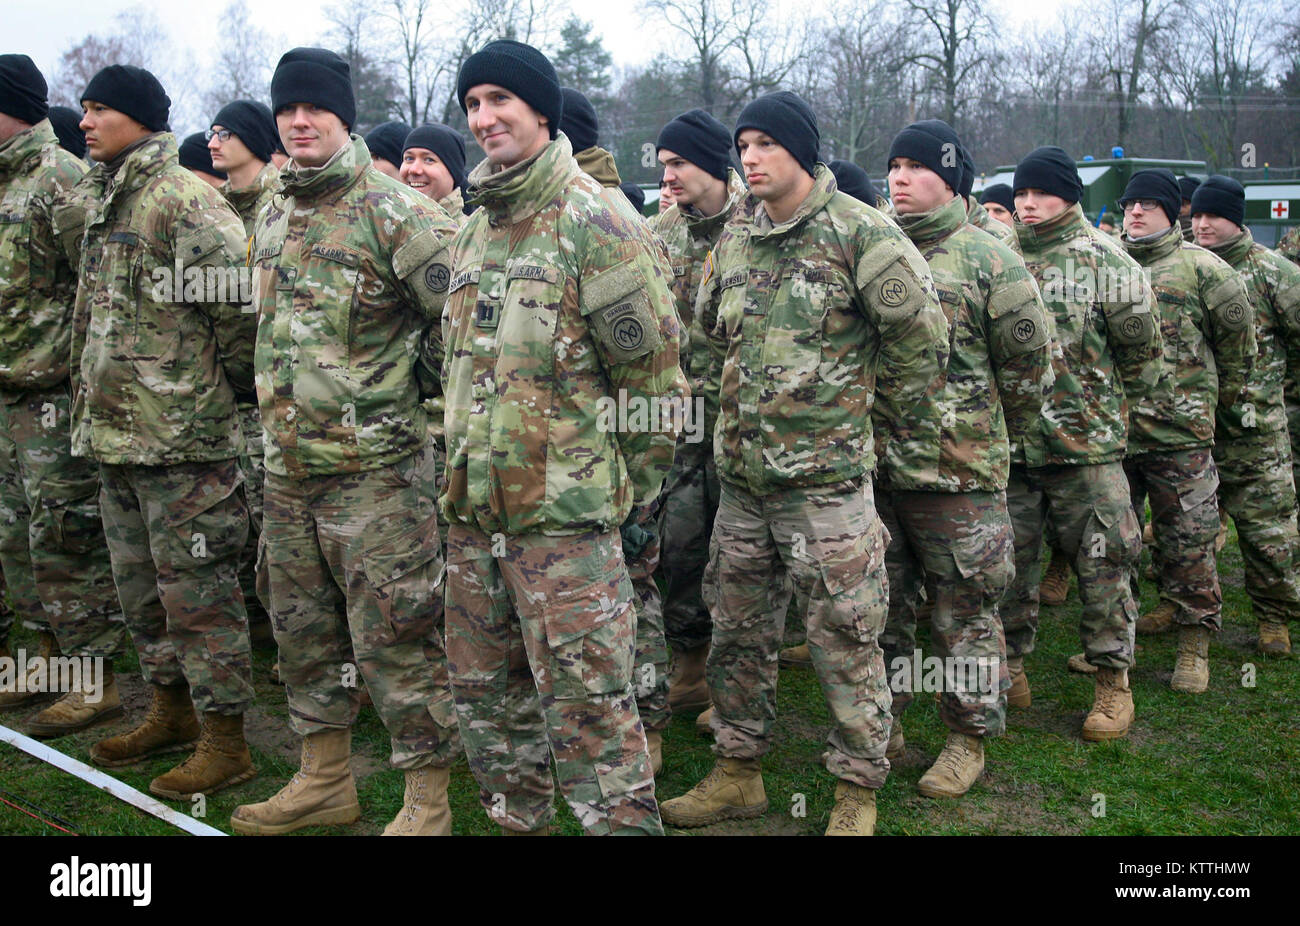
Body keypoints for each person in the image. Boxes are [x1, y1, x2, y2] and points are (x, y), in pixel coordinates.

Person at [660, 92, 947, 835]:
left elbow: (923, 346)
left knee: (846, 637)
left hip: (826, 493)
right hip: (744, 489)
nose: (750, 158)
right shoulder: (736, 241)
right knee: (737, 633)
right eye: (742, 146)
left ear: (802, 151)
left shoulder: (861, 234)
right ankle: (738, 772)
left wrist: (857, 422)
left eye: (766, 144)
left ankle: (857, 790)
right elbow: (705, 343)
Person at [442, 39, 686, 836]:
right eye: (472, 103)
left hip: (567, 534)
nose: (484, 118)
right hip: (475, 524)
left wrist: (616, 497)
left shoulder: (599, 222)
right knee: (490, 713)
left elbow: (653, 389)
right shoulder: (473, 233)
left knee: (594, 726)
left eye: (499, 100)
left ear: (542, 112)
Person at [229, 47, 461, 836]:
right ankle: (324, 778)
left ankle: (427, 799)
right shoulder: (274, 209)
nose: (299, 121)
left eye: (315, 108)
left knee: (398, 636)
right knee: (302, 631)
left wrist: (403, 402)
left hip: (376, 478)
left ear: (343, 116)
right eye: (287, 109)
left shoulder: (397, 212)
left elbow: (457, 329)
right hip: (288, 471)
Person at [71, 65, 257, 799]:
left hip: (185, 446)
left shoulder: (184, 200)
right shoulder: (107, 197)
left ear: (139, 117)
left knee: (200, 598)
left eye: (99, 109)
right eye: (83, 108)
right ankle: (171, 713)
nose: (85, 122)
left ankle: (226, 741)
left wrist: (209, 397)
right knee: (143, 595)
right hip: (117, 439)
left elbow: (238, 316)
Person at [876, 119, 1053, 797]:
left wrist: (982, 435)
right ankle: (884, 722)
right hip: (877, 470)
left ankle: (966, 738)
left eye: (916, 167)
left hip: (959, 477)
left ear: (951, 180)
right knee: (880, 610)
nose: (899, 178)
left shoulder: (990, 258)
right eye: (894, 165)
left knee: (965, 614)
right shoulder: (872, 246)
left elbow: (1030, 368)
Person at [1070, 169, 1253, 694]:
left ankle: (1194, 644)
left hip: (1180, 436)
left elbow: (1238, 348)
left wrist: (1210, 407)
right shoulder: (1102, 263)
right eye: (1129, 204)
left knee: (1189, 542)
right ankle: (1114, 648)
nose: (1134, 212)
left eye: (1148, 204)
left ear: (1173, 212)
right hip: (1114, 436)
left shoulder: (1206, 270)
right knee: (1113, 548)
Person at [1003, 146, 1162, 740]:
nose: (1027, 203)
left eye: (1040, 192)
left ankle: (1113, 684)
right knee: (1006, 566)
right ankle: (1010, 668)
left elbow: (1143, 359)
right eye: (1021, 193)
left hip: (1086, 451)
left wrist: (1097, 411)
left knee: (1105, 566)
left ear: (1069, 195)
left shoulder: (1108, 261)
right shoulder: (999, 255)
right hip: (1012, 450)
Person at [0, 54, 126, 734]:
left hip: (53, 396)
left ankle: (94, 680)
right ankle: (44, 661)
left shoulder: (63, 181)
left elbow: (99, 291)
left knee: (65, 539)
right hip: (6, 398)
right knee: (17, 540)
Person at [650, 108, 747, 731]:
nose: (668, 175)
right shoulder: (657, 233)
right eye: (663, 164)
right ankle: (690, 668)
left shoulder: (756, 226)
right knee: (681, 546)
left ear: (712, 164)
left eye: (679, 162)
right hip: (682, 425)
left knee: (742, 558)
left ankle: (740, 680)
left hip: (747, 424)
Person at [1192, 175, 1300, 657]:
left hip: (1255, 431)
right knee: (1185, 530)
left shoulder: (1275, 273)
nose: (1202, 224)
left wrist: (1274, 394)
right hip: (1191, 427)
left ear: (1236, 219)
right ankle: (1181, 607)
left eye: (1213, 215)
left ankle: (1273, 617)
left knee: (1267, 529)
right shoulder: (1184, 267)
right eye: (1196, 214)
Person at [208, 99, 281, 635]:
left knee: (274, 518)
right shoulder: (213, 208)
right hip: (232, 389)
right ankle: (264, 628)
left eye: (226, 133)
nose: (214, 142)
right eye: (212, 132)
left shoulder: (279, 208)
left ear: (253, 140)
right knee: (248, 516)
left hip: (272, 391)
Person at [400, 123, 469, 220]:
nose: (414, 170)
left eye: (429, 160)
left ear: (454, 173)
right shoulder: (385, 224)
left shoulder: (473, 229)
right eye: (409, 158)